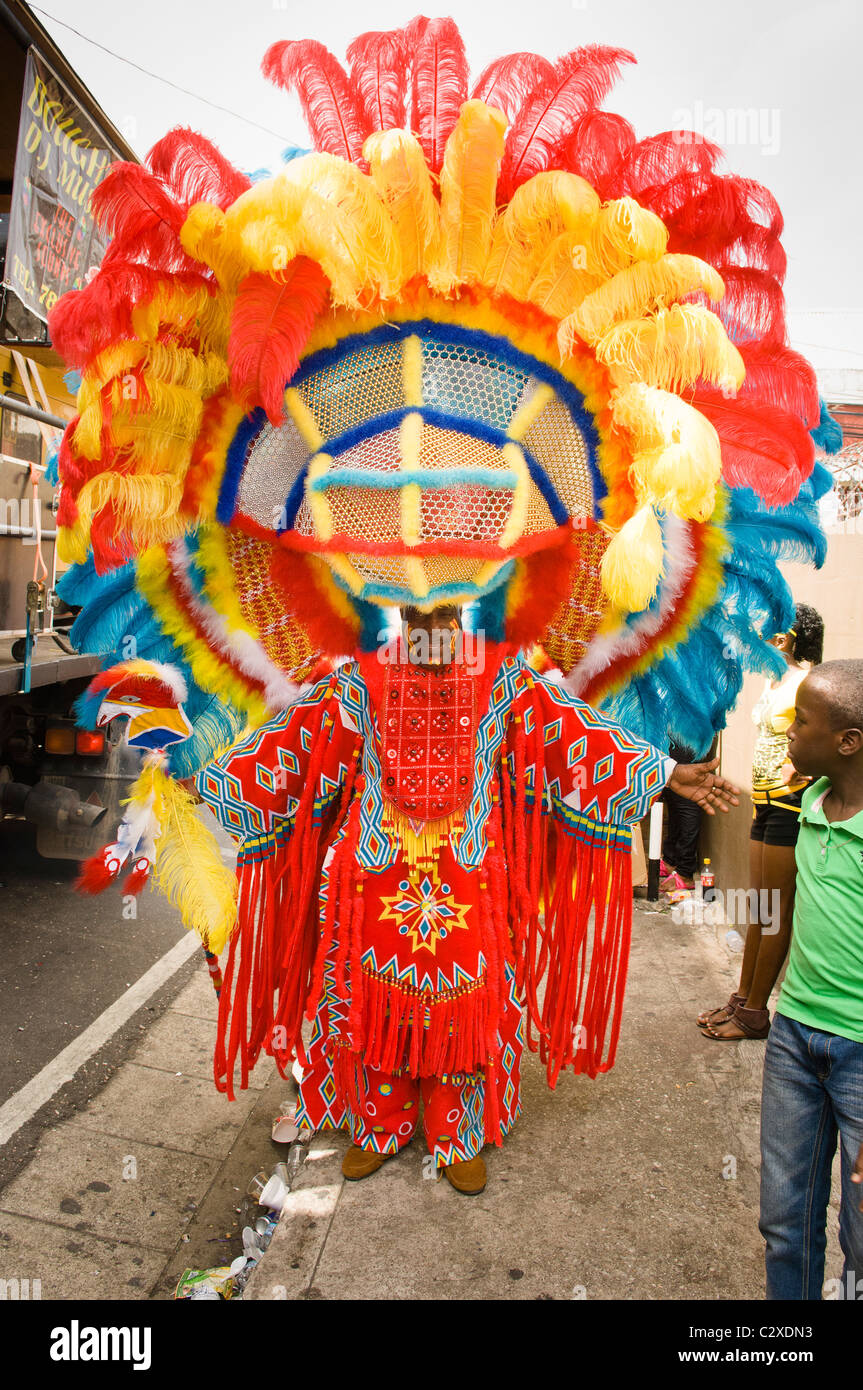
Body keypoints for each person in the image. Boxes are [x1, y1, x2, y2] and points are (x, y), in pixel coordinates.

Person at [197, 604, 739, 1194]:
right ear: (402, 612)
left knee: (467, 1010)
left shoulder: (502, 674)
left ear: (461, 607)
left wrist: (663, 772)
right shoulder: (360, 674)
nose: (433, 627)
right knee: (371, 1003)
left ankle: (455, 1131)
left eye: (444, 613)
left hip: (469, 879)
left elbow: (569, 735)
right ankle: (380, 1124)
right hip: (372, 879)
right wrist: (205, 777)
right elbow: (296, 744)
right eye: (420, 614)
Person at [757, 659, 863, 1299]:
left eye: (801, 720)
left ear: (848, 741)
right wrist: (757, 1006)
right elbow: (784, 912)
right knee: (785, 1223)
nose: (787, 730)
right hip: (794, 1038)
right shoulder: (810, 802)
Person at [698, 603, 824, 1040]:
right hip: (763, 803)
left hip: (790, 804)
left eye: (771, 630)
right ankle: (742, 999)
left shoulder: (808, 682)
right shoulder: (776, 681)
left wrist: (809, 770)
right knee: (759, 907)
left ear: (787, 638)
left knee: (775, 911)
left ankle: (755, 1013)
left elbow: (828, 735)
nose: (763, 637)